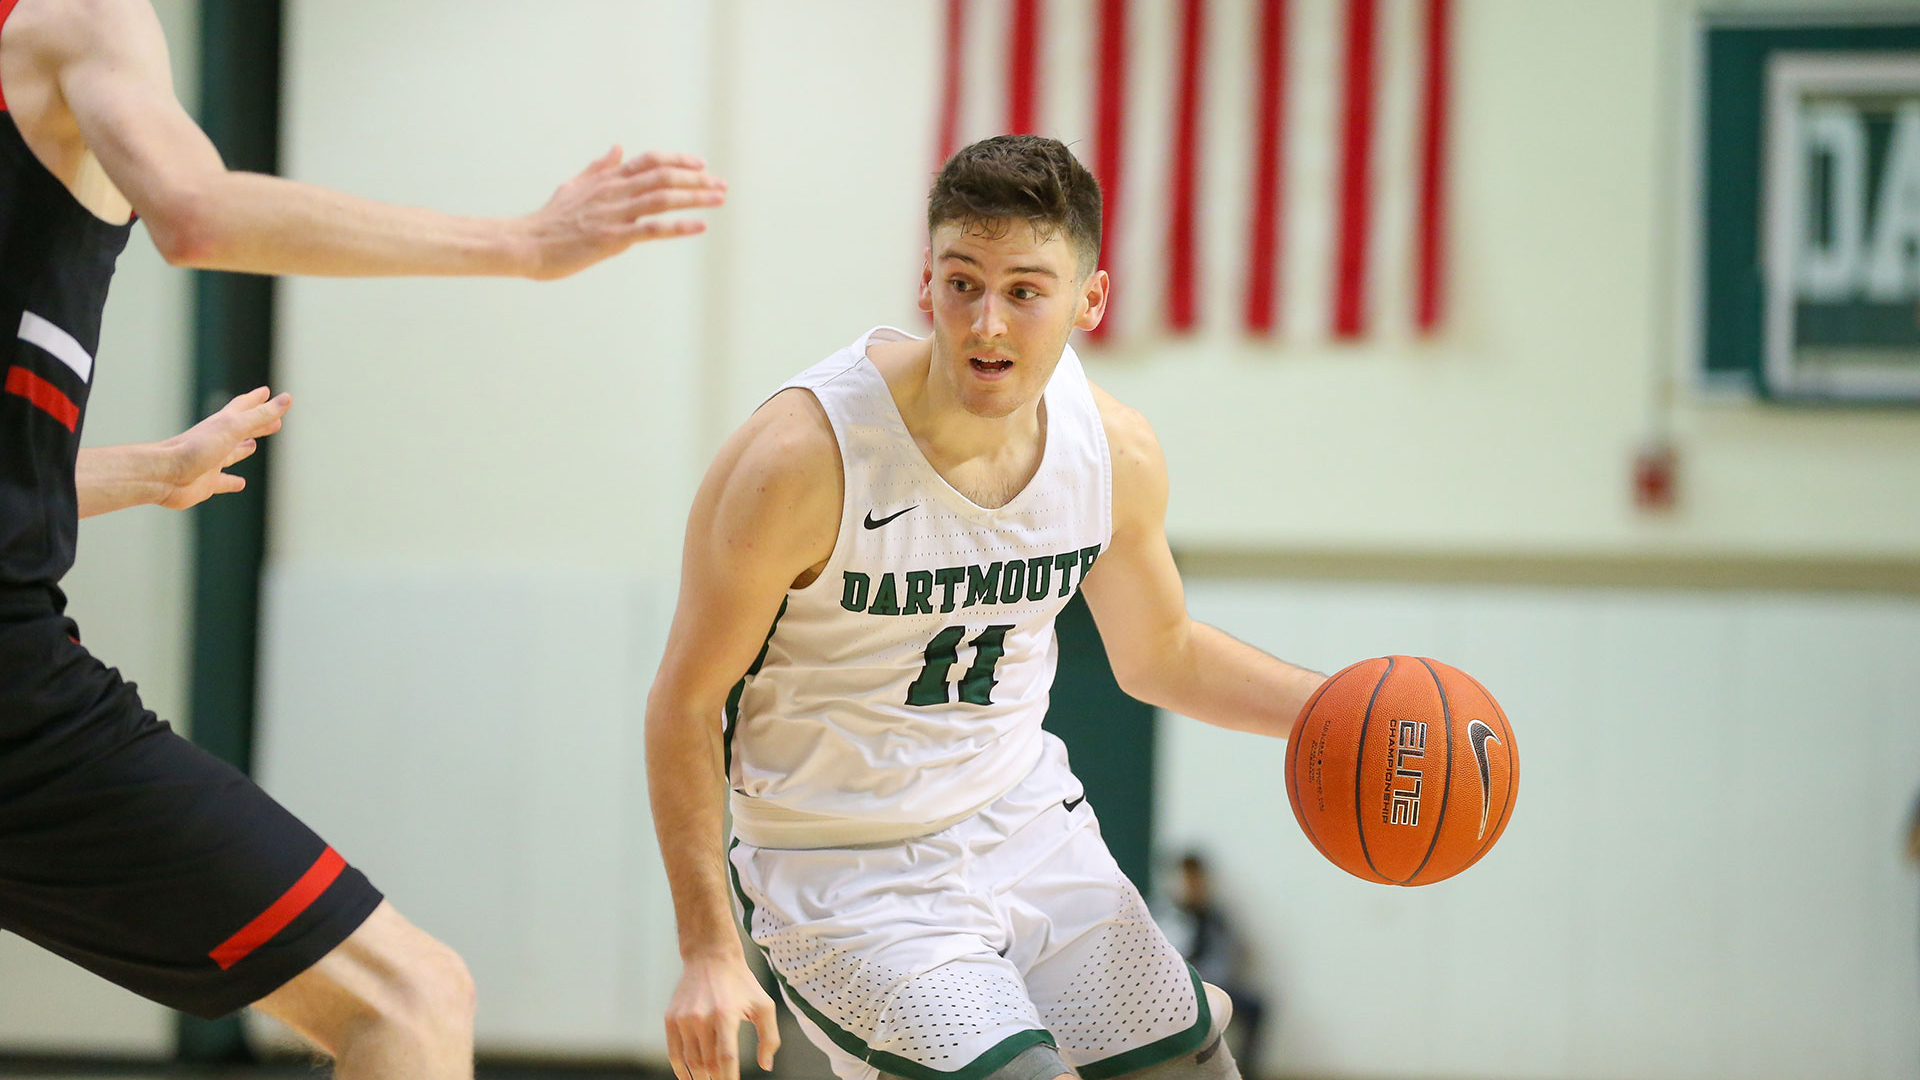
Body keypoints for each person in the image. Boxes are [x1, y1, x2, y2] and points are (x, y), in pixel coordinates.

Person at [0, 0, 723, 1075]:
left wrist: (150, 473)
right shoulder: (81, 17)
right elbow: (196, 213)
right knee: (410, 1001)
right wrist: (521, 243)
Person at [646, 133, 1325, 1080]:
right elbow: (684, 703)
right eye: (962, 283)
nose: (987, 324)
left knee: (1194, 1067)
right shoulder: (800, 463)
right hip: (843, 868)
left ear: (1090, 299)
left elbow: (1159, 653)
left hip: (1025, 827)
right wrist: (709, 951)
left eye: (1024, 290)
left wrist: (1334, 708)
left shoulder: (1112, 454)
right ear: (926, 284)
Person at [1166, 853, 1269, 1080]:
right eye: (1188, 879)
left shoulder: (1215, 916)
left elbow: (1232, 952)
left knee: (1255, 1006)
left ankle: (1245, 1072)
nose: (1193, 885)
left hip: (1218, 984)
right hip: (1180, 990)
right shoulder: (1170, 915)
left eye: (1197, 879)